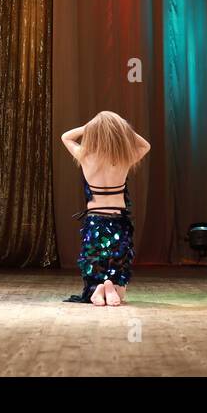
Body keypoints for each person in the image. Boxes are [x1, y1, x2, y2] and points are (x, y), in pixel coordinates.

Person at [59, 111, 150, 306]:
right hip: (118, 221)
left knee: (95, 263)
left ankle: (99, 288)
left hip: (95, 222)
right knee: (117, 266)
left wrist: (90, 128)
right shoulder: (125, 158)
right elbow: (145, 145)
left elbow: (65, 136)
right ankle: (110, 285)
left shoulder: (86, 157)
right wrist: (122, 129)